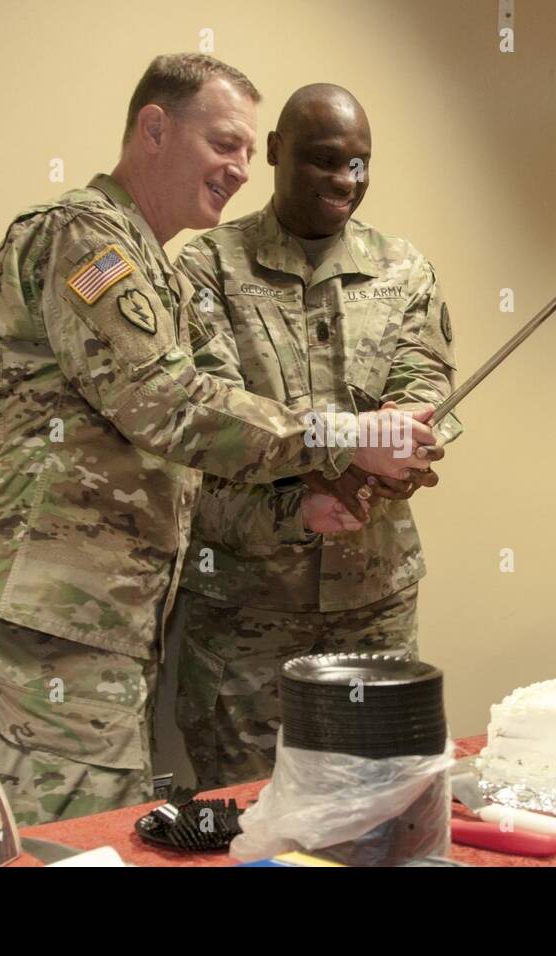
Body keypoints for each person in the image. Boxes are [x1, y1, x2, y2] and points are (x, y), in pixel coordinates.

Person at [0, 56, 438, 825]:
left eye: (246, 150)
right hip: (56, 607)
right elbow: (165, 403)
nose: (240, 168)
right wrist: (348, 433)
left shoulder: (153, 266)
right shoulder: (85, 237)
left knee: (102, 827)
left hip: (107, 613)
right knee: (81, 841)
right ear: (154, 128)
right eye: (223, 144)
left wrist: (301, 502)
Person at [174, 83, 462, 788]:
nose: (345, 181)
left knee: (383, 807)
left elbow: (426, 395)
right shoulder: (205, 269)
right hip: (247, 613)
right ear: (274, 152)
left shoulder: (404, 270)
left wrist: (392, 456)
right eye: (324, 160)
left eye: (360, 164)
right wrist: (325, 468)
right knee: (250, 820)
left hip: (376, 605)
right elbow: (201, 427)